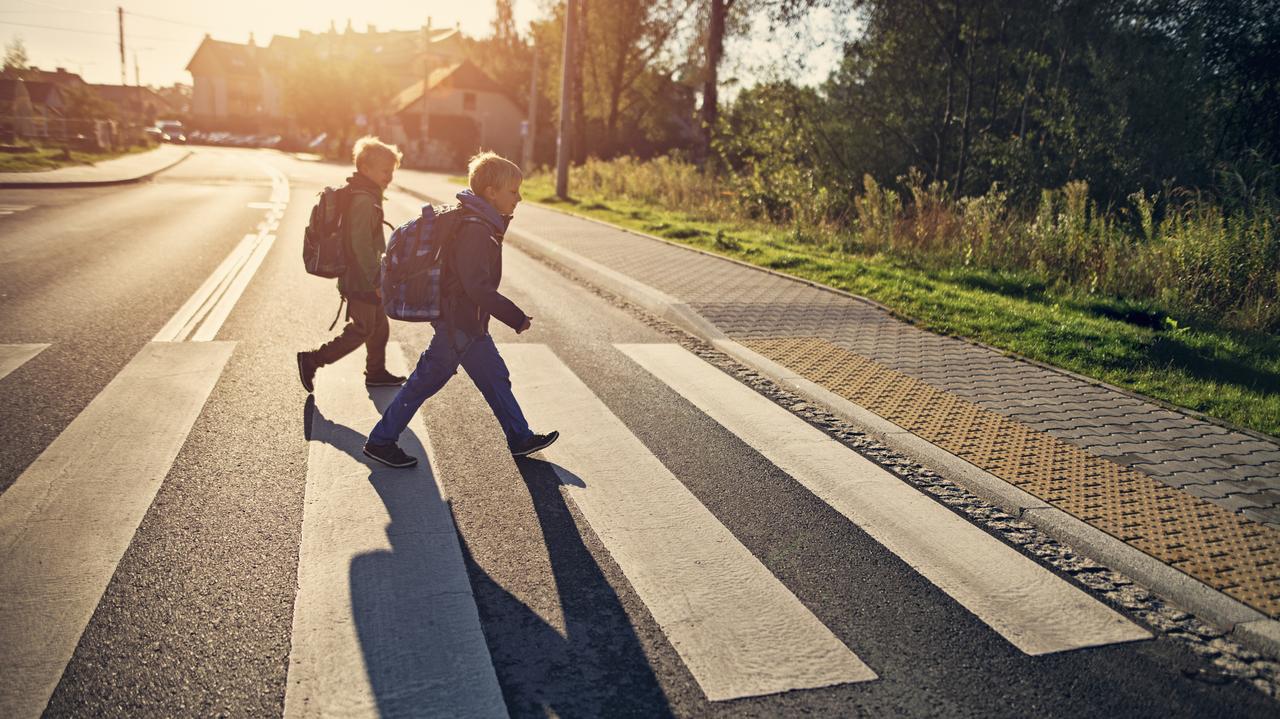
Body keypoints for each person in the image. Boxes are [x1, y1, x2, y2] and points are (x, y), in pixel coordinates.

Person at [362, 151, 558, 468]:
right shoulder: (477, 229)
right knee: (424, 382)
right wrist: (516, 317)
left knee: (495, 377)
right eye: (513, 191)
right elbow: (476, 286)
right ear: (490, 193)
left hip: (468, 324)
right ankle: (381, 440)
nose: (519, 198)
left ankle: (520, 437)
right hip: (458, 322)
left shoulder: (480, 222)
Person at [297, 136, 407, 393]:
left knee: (379, 326)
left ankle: (376, 372)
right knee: (362, 329)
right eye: (385, 171)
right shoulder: (364, 200)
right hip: (361, 278)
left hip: (364, 274)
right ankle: (313, 359)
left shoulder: (366, 194)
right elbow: (359, 243)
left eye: (392, 171)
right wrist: (375, 279)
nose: (389, 176)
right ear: (365, 169)